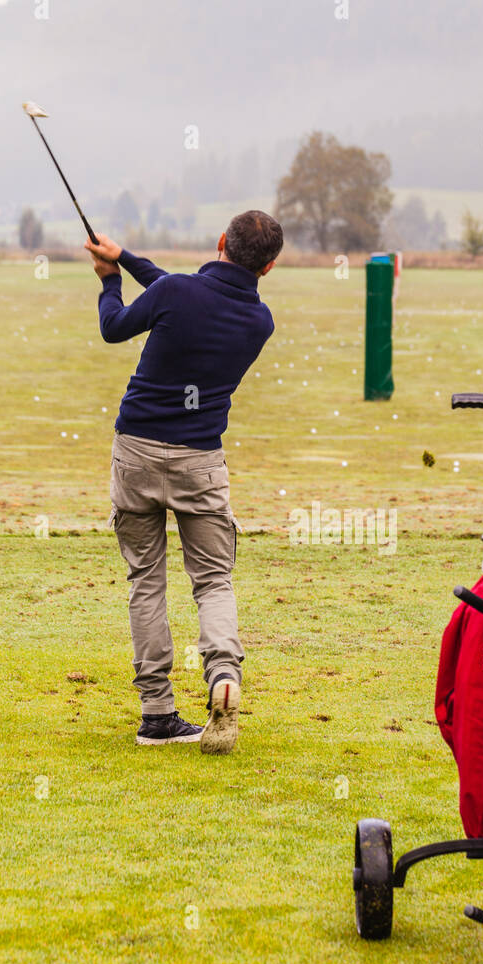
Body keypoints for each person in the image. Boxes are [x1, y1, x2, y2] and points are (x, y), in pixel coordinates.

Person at [84, 209, 283, 752]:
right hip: (201, 462)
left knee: (146, 580)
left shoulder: (176, 293)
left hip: (136, 452)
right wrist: (123, 256)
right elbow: (178, 291)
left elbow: (116, 325)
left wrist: (108, 281)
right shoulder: (259, 321)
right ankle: (223, 676)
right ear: (268, 267)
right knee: (214, 581)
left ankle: (156, 713)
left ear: (220, 241)